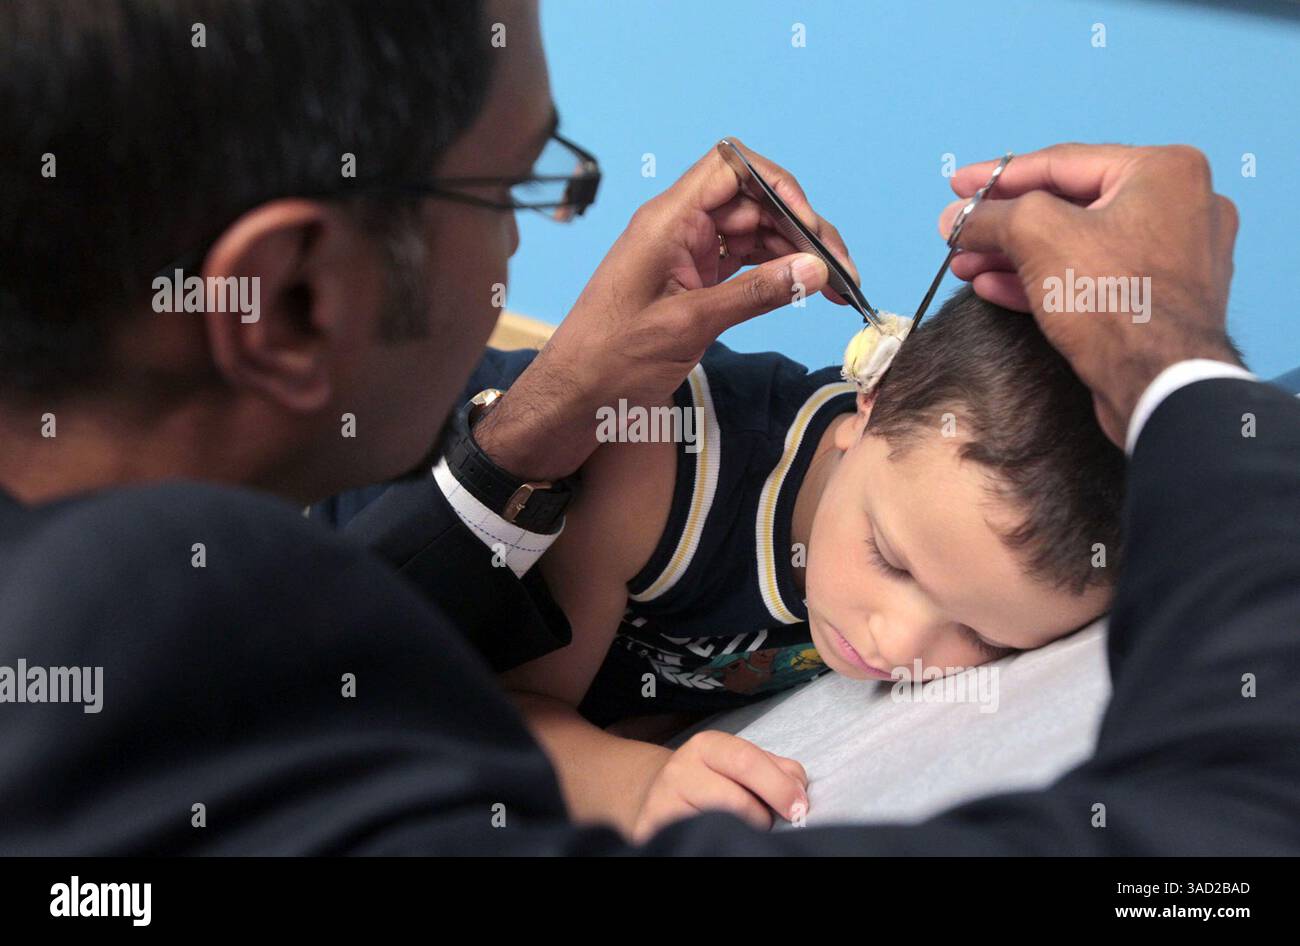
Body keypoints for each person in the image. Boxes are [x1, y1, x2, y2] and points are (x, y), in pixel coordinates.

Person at [0, 0, 1296, 856]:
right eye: (519, 184)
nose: (538, 238)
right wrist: (1172, 348)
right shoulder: (146, 672)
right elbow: (1219, 837)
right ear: (290, 296)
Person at [368, 287, 1123, 842]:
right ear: (870, 405)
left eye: (984, 638)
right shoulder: (651, 468)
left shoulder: (922, 514)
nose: (898, 646)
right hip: (373, 501)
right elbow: (489, 716)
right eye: (892, 563)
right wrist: (640, 785)